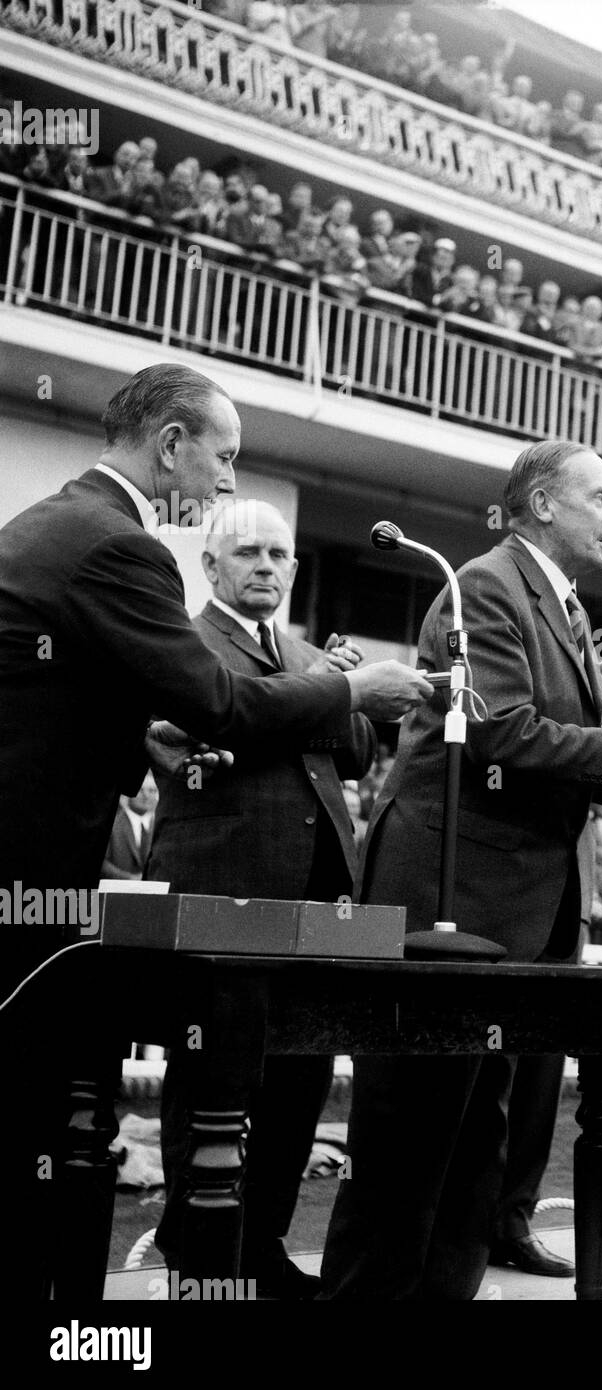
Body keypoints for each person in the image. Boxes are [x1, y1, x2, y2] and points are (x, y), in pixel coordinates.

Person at [0, 363, 433, 1301]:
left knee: (57, 1119)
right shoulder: (123, 547)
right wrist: (354, 689)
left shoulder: (60, 524)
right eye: (225, 459)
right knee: (39, 1121)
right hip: (33, 865)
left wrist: (141, 723)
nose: (228, 484)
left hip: (47, 861)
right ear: (171, 445)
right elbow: (223, 702)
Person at [318, 440, 602, 1300]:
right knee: (410, 1134)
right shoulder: (485, 585)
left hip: (518, 906)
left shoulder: (566, 609)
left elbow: (566, 762)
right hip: (450, 890)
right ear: (539, 504)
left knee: (477, 1140)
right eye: (600, 497)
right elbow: (502, 734)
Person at [146, 499, 377, 1300]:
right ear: (210, 567)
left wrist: (334, 691)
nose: (267, 567)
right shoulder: (186, 641)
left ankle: (261, 1241)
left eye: (280, 555)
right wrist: (325, 691)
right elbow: (212, 733)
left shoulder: (306, 653)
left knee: (299, 1077)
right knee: (212, 1072)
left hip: (317, 894)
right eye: (248, 553)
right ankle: (196, 1244)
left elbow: (356, 752)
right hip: (221, 880)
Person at [100, 773, 158, 880]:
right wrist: (130, 878)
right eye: (141, 790)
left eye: (152, 791)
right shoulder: (111, 824)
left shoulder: (160, 827)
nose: (146, 795)